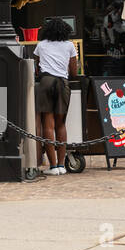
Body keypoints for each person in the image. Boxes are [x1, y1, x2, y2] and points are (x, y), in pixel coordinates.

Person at [33, 18, 80, 176]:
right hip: (62, 83)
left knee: (48, 124)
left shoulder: (41, 45)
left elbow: (37, 68)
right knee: (61, 124)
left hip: (45, 82)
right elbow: (74, 72)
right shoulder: (69, 46)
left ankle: (53, 166)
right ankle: (62, 165)